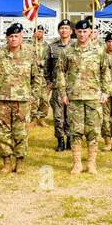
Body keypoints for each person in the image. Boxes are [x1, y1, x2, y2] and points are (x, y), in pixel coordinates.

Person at [0, 22, 43, 174]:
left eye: (16, 36)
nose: (13, 39)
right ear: (7, 38)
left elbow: (37, 78)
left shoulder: (30, 54)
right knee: (3, 133)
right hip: (2, 101)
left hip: (22, 101)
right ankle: (6, 162)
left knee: (21, 133)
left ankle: (20, 163)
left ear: (21, 37)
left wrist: (33, 96)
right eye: (10, 36)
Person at [57, 17, 106, 174]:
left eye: (85, 31)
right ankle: (77, 163)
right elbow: (61, 73)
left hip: (93, 97)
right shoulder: (67, 51)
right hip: (74, 97)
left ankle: (91, 163)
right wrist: (63, 93)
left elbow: (106, 72)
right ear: (75, 32)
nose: (82, 34)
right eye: (79, 32)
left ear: (90, 32)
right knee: (75, 131)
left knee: (93, 131)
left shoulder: (99, 50)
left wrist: (105, 92)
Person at [44, 19, 74, 151]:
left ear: (71, 31)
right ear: (58, 31)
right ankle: (60, 140)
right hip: (57, 87)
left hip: (73, 87)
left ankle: (70, 140)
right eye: (62, 28)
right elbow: (47, 67)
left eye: (67, 28)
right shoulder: (52, 47)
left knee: (71, 116)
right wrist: (49, 81)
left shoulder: (75, 46)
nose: (64, 30)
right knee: (58, 116)